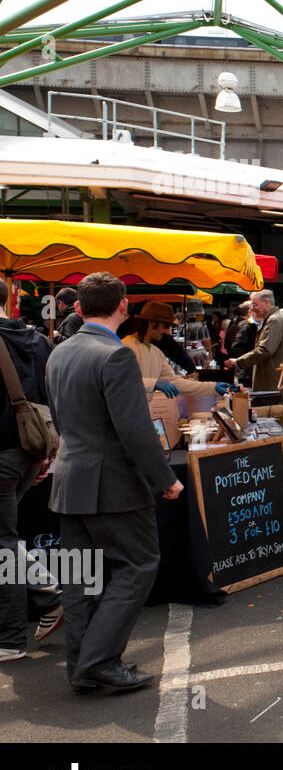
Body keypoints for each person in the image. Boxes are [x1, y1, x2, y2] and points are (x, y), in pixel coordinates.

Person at [45, 272, 183, 693]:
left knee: (81, 577)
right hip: (114, 485)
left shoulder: (58, 354)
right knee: (138, 565)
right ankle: (98, 662)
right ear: (124, 307)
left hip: (70, 480)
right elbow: (134, 429)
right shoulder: (115, 355)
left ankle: (85, 665)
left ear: (80, 308)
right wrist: (165, 479)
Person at [0, 281, 59, 663]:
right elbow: (50, 398)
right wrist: (45, 457)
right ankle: (48, 594)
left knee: (2, 542)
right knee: (5, 537)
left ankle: (9, 639)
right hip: (30, 451)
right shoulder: (36, 340)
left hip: (4, 456)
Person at [123, 302, 232, 448]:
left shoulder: (155, 352)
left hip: (143, 419)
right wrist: (153, 384)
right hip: (126, 420)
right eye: (166, 326)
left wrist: (213, 387)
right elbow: (123, 383)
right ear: (151, 323)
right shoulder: (127, 347)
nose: (168, 332)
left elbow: (176, 383)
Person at [225, 289, 283, 410]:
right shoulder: (280, 317)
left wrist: (238, 361)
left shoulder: (274, 320)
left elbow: (265, 350)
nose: (252, 309)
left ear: (267, 302)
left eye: (255, 304)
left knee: (278, 417)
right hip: (280, 378)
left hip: (273, 381)